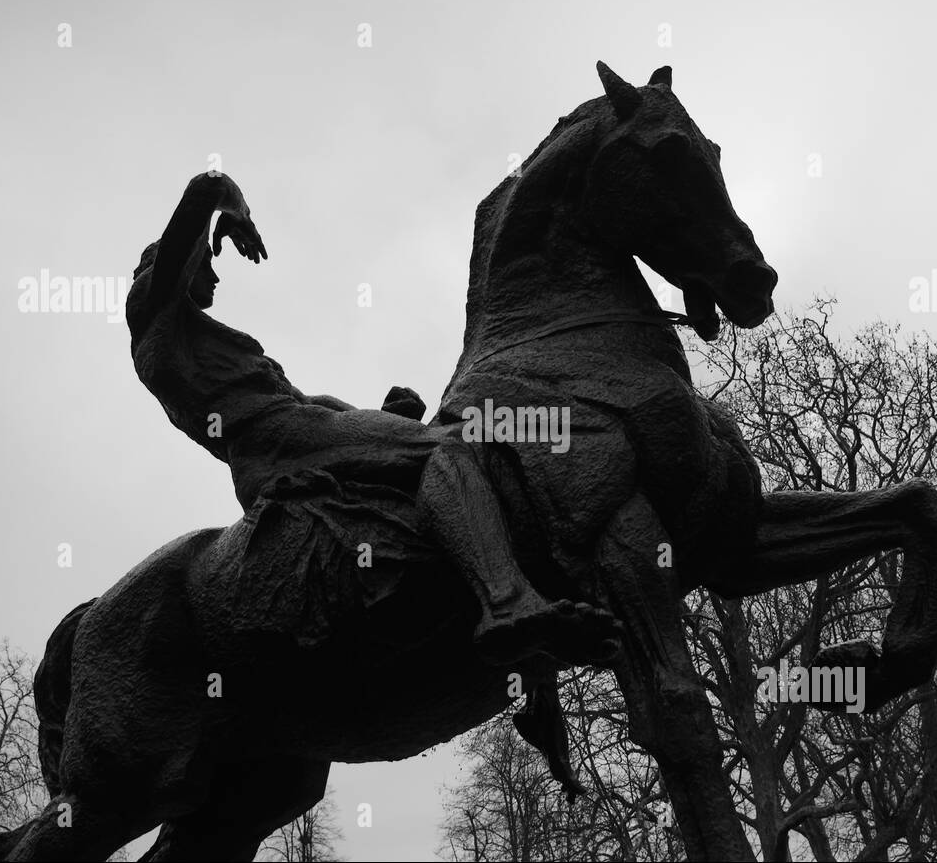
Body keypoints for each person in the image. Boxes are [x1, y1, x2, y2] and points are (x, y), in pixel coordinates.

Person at [125, 172, 619, 666]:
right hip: (273, 445)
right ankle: (507, 604)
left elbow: (305, 403)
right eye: (205, 264)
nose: (214, 276)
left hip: (287, 435)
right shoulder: (154, 310)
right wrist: (234, 210)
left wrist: (376, 419)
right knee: (446, 450)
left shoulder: (196, 336)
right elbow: (205, 186)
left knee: (444, 438)